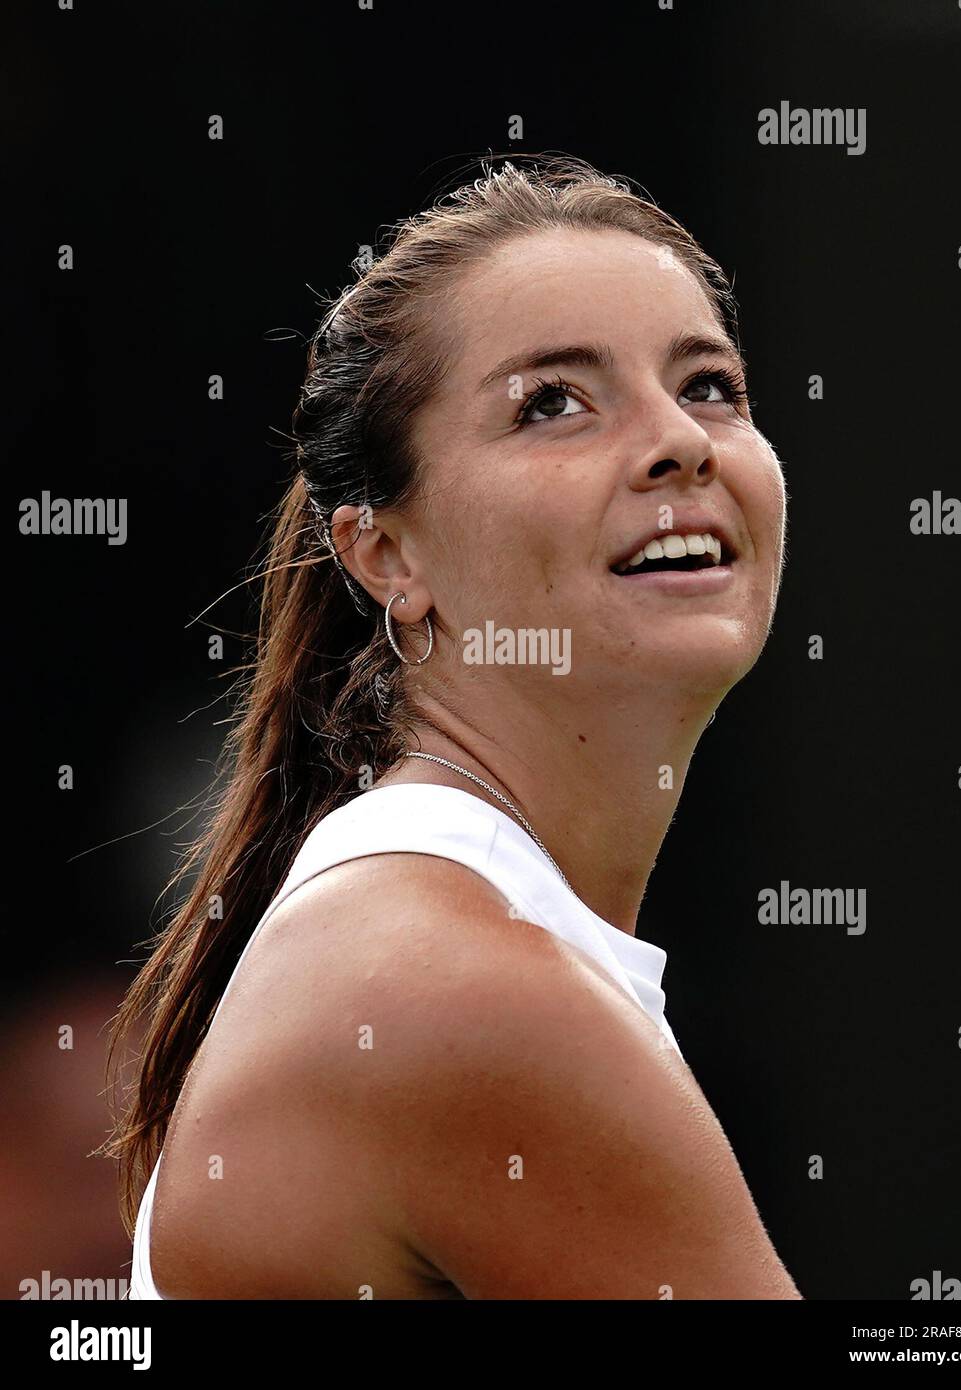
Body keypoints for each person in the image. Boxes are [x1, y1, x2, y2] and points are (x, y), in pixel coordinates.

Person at [106, 154, 798, 1299]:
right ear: (386, 554)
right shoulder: (456, 991)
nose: (681, 441)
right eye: (552, 403)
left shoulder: (451, 938)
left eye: (709, 384)